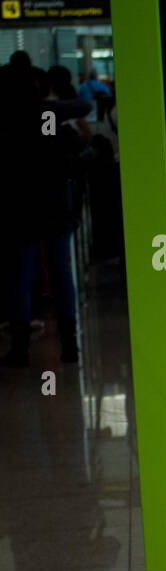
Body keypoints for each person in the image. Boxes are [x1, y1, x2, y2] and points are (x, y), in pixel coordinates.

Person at [0, 66, 92, 366]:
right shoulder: (48, 112)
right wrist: (56, 95)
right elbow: (83, 105)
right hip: (54, 203)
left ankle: (19, 349)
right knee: (61, 271)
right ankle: (69, 346)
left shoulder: (8, 116)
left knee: (22, 277)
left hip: (20, 206)